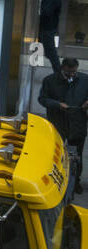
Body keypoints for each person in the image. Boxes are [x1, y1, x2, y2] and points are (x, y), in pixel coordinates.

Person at [39, 57, 88, 193]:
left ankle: (75, 182)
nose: (72, 75)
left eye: (74, 72)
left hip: (77, 123)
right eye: (68, 73)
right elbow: (42, 99)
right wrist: (57, 104)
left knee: (76, 155)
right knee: (55, 154)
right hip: (58, 123)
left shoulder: (85, 80)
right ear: (63, 68)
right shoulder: (50, 80)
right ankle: (53, 181)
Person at [39, 0, 61, 71]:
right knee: (49, 51)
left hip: (48, 27)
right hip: (47, 26)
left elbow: (47, 11)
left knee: (51, 51)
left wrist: (39, 7)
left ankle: (58, 73)